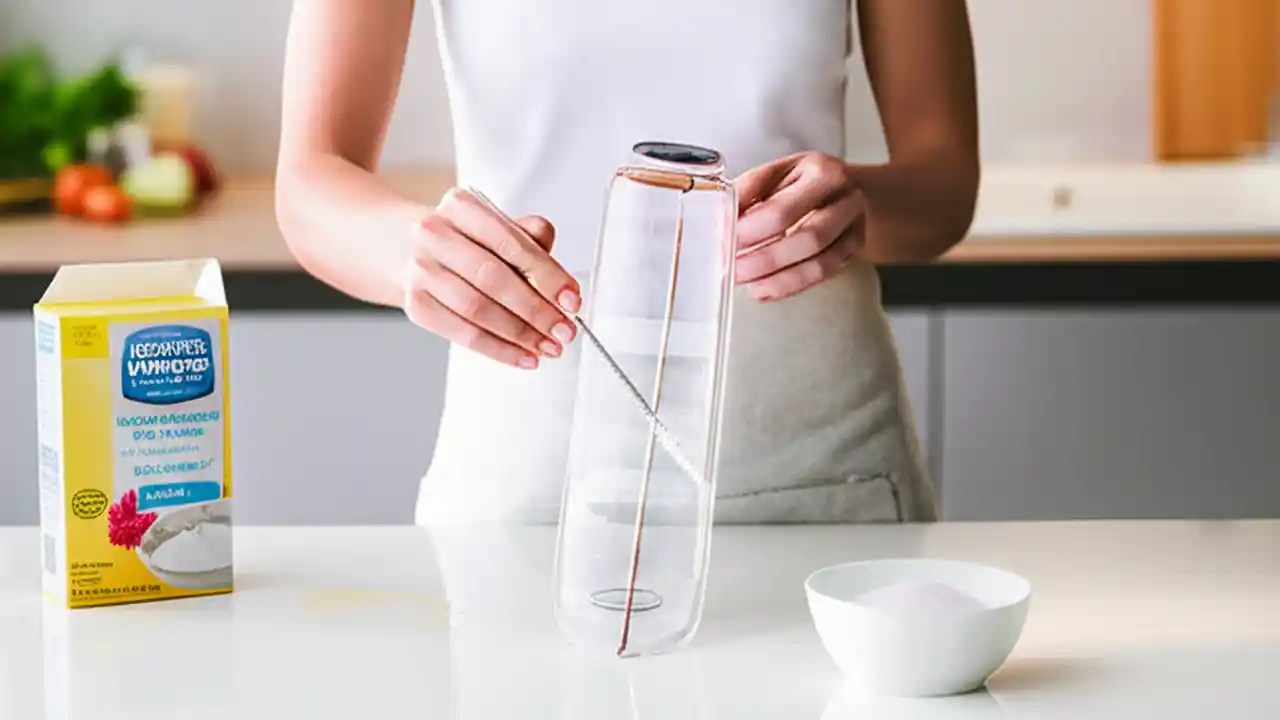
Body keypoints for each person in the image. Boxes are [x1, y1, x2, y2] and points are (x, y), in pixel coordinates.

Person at [276, 1, 978, 525]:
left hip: (819, 457)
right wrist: (415, 253)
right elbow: (311, 182)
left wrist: (854, 208)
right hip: (527, 463)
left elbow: (944, 184)